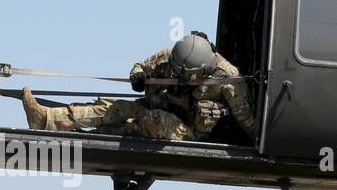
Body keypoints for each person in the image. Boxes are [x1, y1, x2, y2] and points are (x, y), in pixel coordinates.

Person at [21, 31, 255, 142]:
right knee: (112, 108)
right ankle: (45, 119)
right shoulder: (171, 57)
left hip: (186, 130)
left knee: (147, 121)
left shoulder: (229, 78)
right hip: (155, 108)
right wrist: (138, 76)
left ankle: (94, 135)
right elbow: (140, 67)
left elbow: (247, 120)